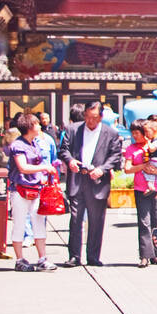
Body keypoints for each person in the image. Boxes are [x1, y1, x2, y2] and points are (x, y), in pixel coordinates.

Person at [58, 101, 122, 267]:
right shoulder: (73, 130)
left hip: (98, 180)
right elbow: (63, 149)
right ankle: (74, 256)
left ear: (101, 117)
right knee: (75, 219)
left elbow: (115, 156)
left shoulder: (111, 133)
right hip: (78, 178)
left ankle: (93, 256)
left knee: (96, 220)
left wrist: (103, 169)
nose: (90, 121)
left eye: (94, 118)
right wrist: (70, 160)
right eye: (87, 117)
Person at [6, 113, 59, 272]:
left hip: (36, 188)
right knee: (20, 223)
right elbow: (23, 167)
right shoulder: (18, 145)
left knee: (39, 223)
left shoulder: (36, 142)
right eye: (36, 124)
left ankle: (42, 258)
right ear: (30, 127)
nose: (39, 126)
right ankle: (20, 259)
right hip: (20, 189)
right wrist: (44, 168)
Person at [122, 122, 157, 268]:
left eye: (137, 133)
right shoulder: (131, 149)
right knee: (144, 222)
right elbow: (127, 169)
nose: (134, 136)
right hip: (141, 189)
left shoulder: (155, 144)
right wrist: (143, 167)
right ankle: (145, 255)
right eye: (132, 133)